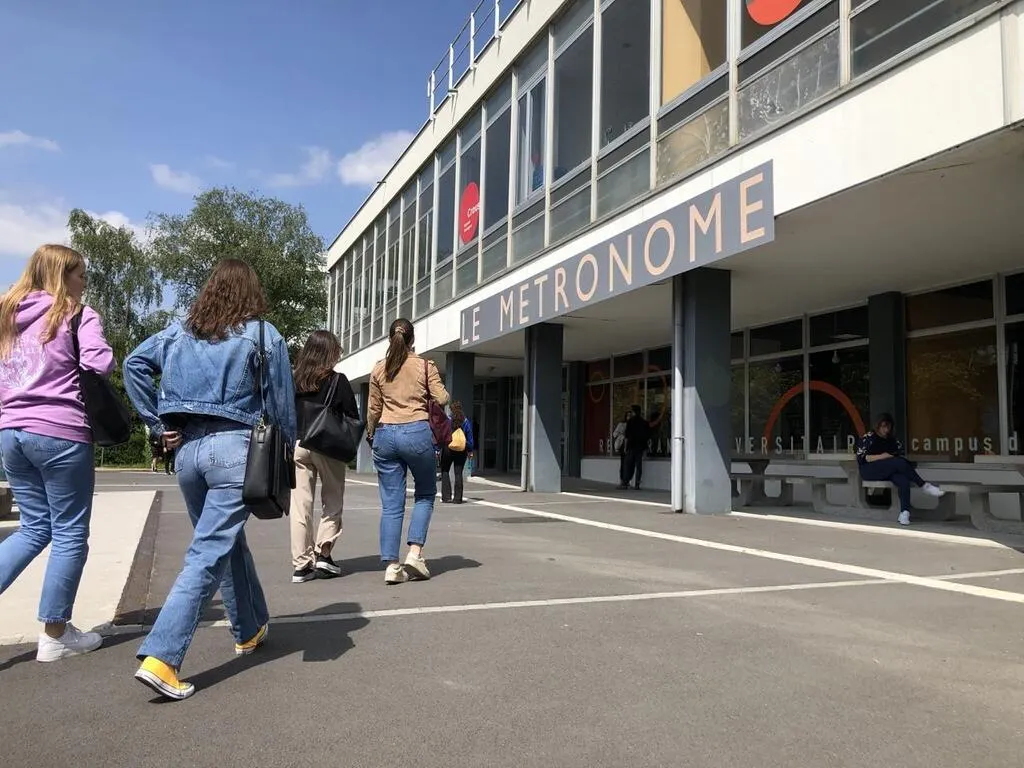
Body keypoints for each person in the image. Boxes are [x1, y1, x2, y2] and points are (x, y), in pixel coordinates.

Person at [123, 258, 296, 701]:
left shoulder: (179, 333)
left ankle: (250, 628)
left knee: (224, 542)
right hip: (235, 451)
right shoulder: (263, 334)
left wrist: (155, 424)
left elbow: (133, 365)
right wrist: (285, 452)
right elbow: (280, 406)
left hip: (188, 454)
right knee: (207, 552)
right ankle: (162, 656)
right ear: (251, 291)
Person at [0, 244, 114, 662]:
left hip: (11, 432)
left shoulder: (6, 314)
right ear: (62, 275)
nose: (85, 282)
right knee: (69, 533)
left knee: (32, 529)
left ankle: (57, 629)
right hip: (61, 432)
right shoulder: (76, 313)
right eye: (81, 274)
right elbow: (100, 364)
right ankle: (55, 634)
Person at [366, 318, 449, 585]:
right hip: (416, 433)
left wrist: (371, 433)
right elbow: (442, 398)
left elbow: (373, 410)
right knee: (425, 493)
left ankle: (392, 566)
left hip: (385, 435)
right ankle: (414, 553)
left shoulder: (379, 369)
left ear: (390, 339)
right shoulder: (425, 366)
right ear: (412, 340)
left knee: (391, 504)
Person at [290, 330, 359, 583]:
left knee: (300, 506)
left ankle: (301, 565)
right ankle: (323, 553)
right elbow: (351, 415)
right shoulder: (337, 380)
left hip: (298, 444)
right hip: (326, 444)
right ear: (329, 352)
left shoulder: (293, 380)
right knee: (332, 499)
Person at [856, 413, 944, 526]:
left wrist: (891, 458)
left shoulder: (893, 441)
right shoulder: (868, 438)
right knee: (899, 463)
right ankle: (924, 485)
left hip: (889, 469)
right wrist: (883, 456)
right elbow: (862, 458)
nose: (885, 429)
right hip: (870, 469)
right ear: (877, 426)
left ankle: (904, 513)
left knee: (903, 480)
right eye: (883, 426)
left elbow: (899, 454)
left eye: (888, 426)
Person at [440, 400, 474, 504]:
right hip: (461, 449)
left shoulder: (447, 420)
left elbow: (442, 435)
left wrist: (438, 449)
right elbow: (470, 437)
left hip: (448, 448)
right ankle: (458, 498)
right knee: (458, 473)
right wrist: (470, 450)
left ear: (451, 409)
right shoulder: (466, 421)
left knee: (445, 470)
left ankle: (446, 497)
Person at [619, 405, 649, 490]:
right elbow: (646, 435)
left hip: (631, 446)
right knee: (638, 466)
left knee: (627, 464)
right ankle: (637, 484)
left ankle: (625, 483)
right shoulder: (644, 422)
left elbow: (627, 436)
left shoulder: (630, 422)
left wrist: (625, 447)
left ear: (633, 412)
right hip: (640, 447)